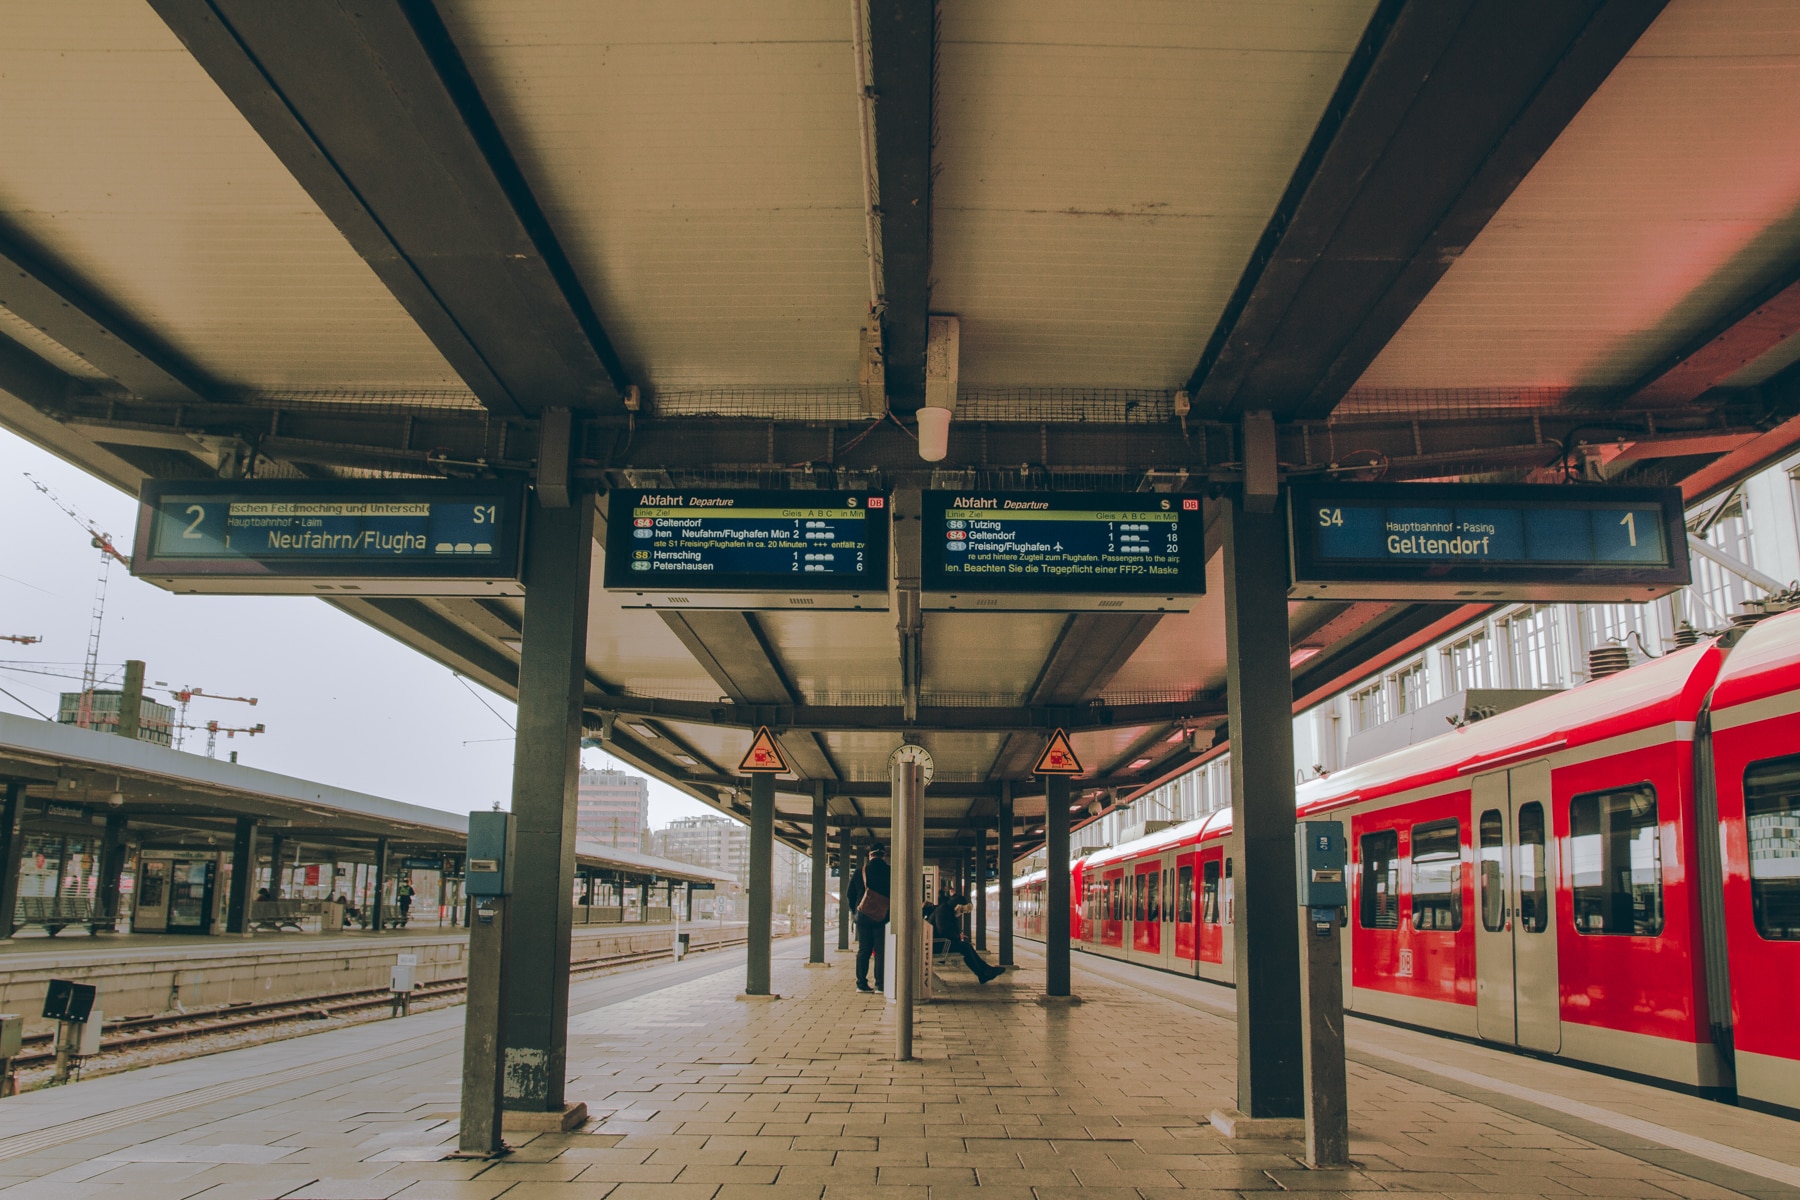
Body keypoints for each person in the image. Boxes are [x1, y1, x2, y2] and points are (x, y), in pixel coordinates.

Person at [934, 888, 1001, 983]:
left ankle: (985, 970)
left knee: (967, 947)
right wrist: (957, 936)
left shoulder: (945, 910)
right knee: (966, 948)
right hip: (938, 945)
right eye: (961, 911)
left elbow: (946, 929)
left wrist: (957, 935)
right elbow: (943, 931)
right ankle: (983, 973)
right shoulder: (943, 912)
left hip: (940, 943)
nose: (960, 913)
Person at [848, 845, 889, 993]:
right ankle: (880, 984)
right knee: (881, 951)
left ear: (870, 855)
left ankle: (861, 984)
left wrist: (856, 911)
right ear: (884, 855)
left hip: (863, 918)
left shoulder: (860, 872)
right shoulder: (890, 871)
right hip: (883, 917)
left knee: (864, 950)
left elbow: (850, 894)